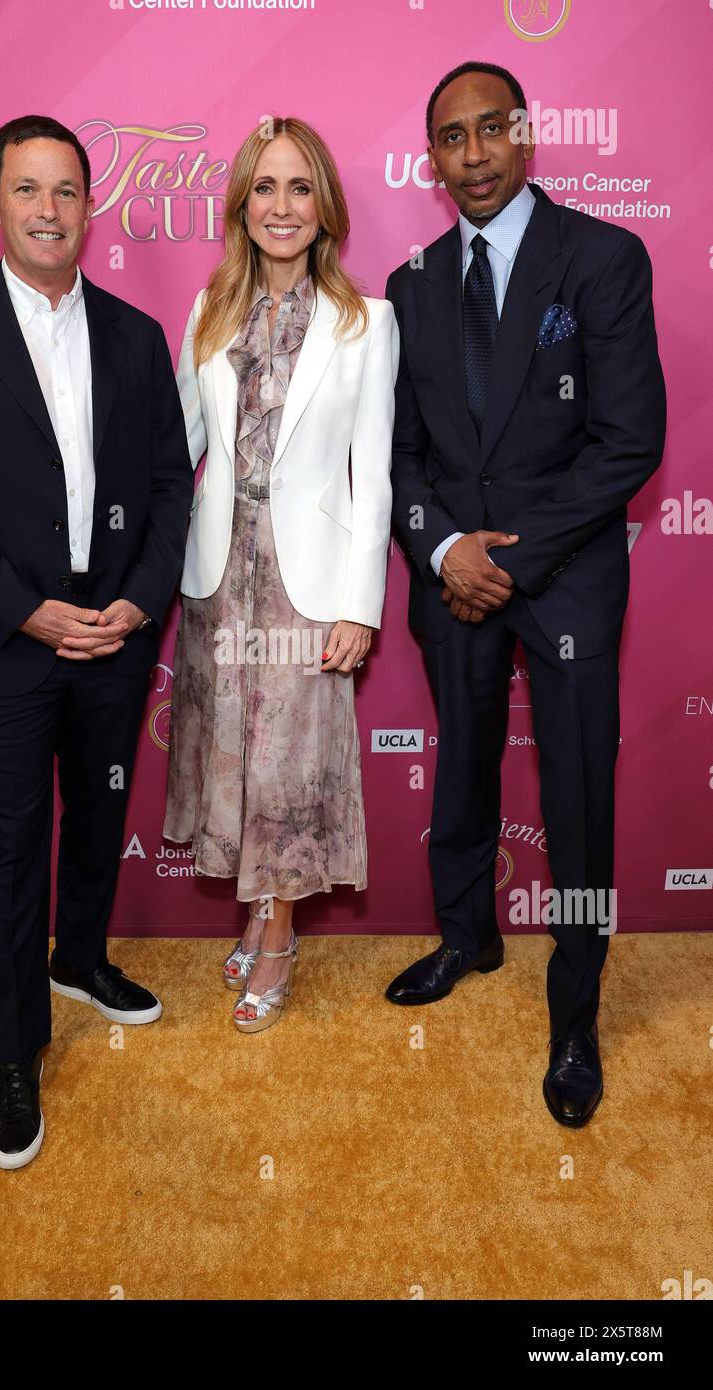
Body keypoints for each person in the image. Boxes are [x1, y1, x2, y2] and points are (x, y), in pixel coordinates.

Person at [0, 115, 192, 1169]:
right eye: (27, 190)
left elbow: (167, 487)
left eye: (66, 191)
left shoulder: (138, 338)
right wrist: (22, 609)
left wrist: (141, 601)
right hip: (9, 637)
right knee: (13, 841)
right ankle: (18, 1050)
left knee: (102, 811)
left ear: (89, 207)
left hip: (113, 628)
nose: (48, 210)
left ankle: (84, 959)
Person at [384, 63, 666, 1126]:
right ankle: (466, 934)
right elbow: (397, 455)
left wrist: (511, 553)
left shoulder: (601, 257)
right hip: (451, 583)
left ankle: (578, 997)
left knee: (579, 798)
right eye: (451, 139)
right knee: (460, 767)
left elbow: (628, 439)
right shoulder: (410, 286)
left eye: (489, 130)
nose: (473, 156)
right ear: (434, 158)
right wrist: (446, 546)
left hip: (569, 581)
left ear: (525, 134)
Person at [163, 117, 398, 1032]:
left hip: (308, 582)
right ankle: (258, 906)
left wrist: (359, 605)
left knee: (292, 767)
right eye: (265, 188)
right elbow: (179, 448)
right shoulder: (208, 309)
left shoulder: (364, 320)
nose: (282, 207)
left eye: (300, 188)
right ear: (241, 205)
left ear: (325, 205)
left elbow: (371, 473)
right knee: (236, 756)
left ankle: (278, 937)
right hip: (219, 576)